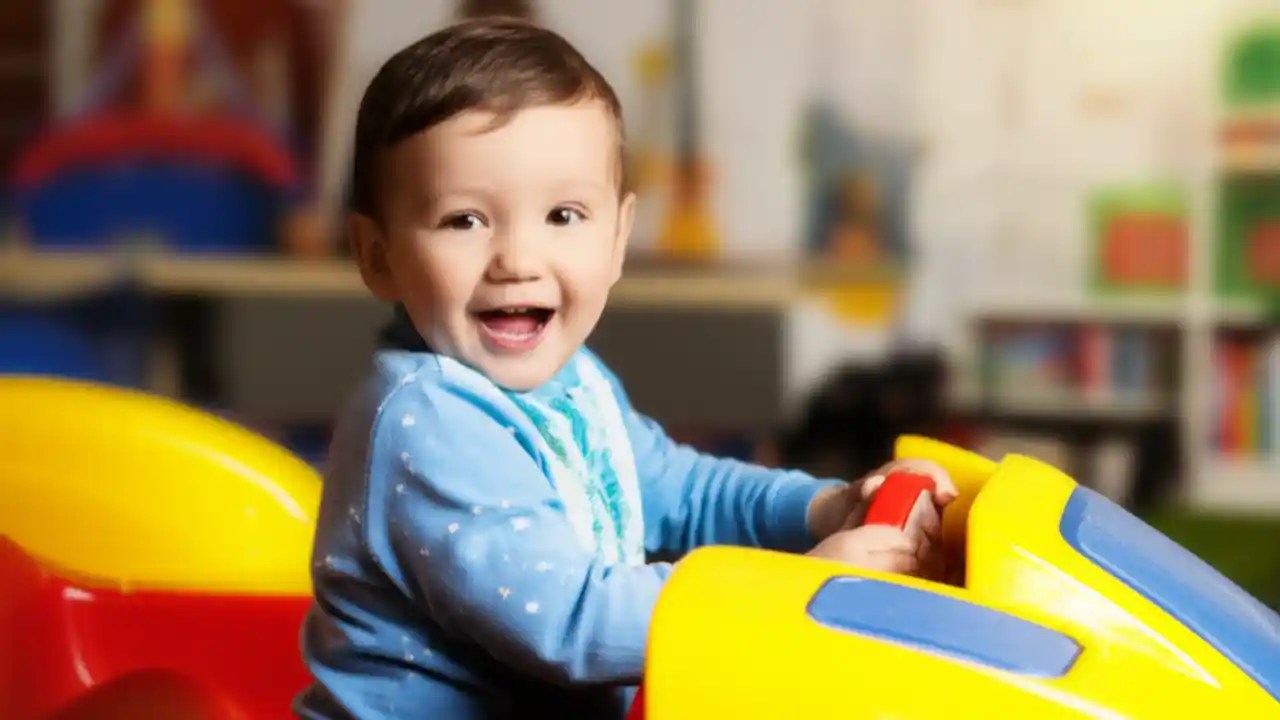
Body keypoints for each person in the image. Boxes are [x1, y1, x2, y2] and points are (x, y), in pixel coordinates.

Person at [295, 17, 955, 720]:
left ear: (617, 239)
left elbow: (679, 491)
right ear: (377, 255)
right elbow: (571, 622)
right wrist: (795, 587)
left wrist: (823, 508)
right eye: (465, 220)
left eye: (563, 214)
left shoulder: (570, 383)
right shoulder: (427, 420)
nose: (518, 259)